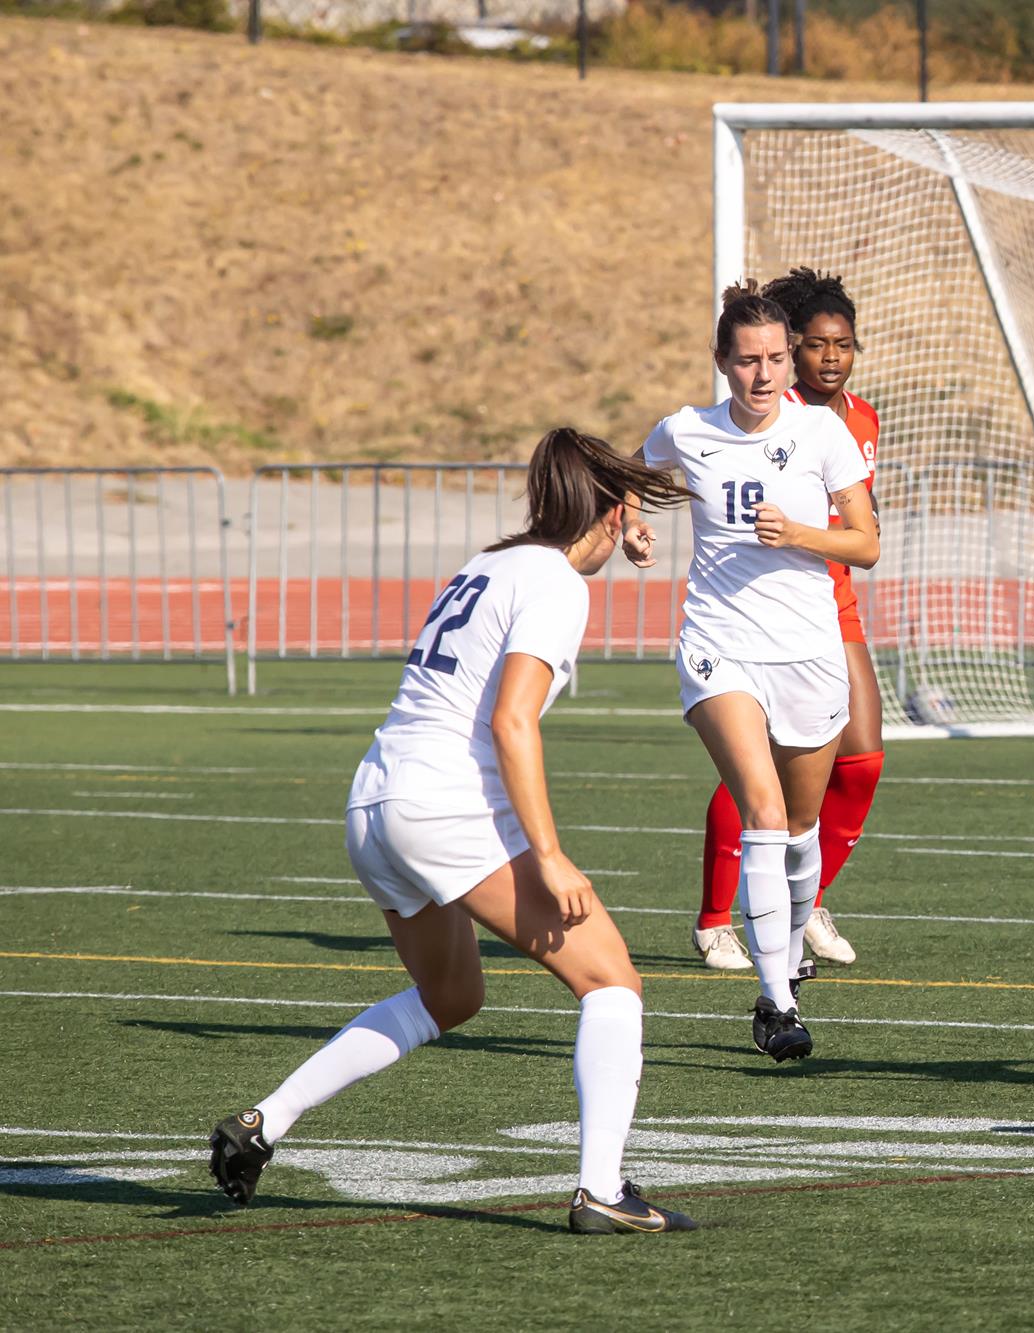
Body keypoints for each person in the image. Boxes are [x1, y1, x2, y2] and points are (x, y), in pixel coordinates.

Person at [208, 428, 695, 1236]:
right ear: (609, 512)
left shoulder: (491, 562)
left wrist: (615, 527)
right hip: (443, 802)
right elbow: (511, 722)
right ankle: (601, 1189)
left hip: (374, 799)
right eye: (632, 511)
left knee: (452, 995)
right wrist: (550, 854)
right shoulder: (556, 585)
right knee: (612, 981)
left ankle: (266, 1121)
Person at [622, 280, 878, 1063]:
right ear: (722, 362)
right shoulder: (687, 431)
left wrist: (802, 532)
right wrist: (631, 522)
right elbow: (628, 474)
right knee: (763, 812)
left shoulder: (822, 433)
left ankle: (789, 953)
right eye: (747, 361)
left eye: (774, 358)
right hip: (719, 646)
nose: (763, 375)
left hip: (806, 652)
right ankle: (775, 1002)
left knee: (800, 833)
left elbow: (865, 543)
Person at [690, 267, 881, 973]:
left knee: (861, 758)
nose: (831, 356)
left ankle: (810, 899)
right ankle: (716, 919)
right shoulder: (770, 408)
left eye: (845, 344)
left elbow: (860, 527)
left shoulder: (859, 419)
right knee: (756, 770)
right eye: (816, 343)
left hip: (833, 598)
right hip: (759, 612)